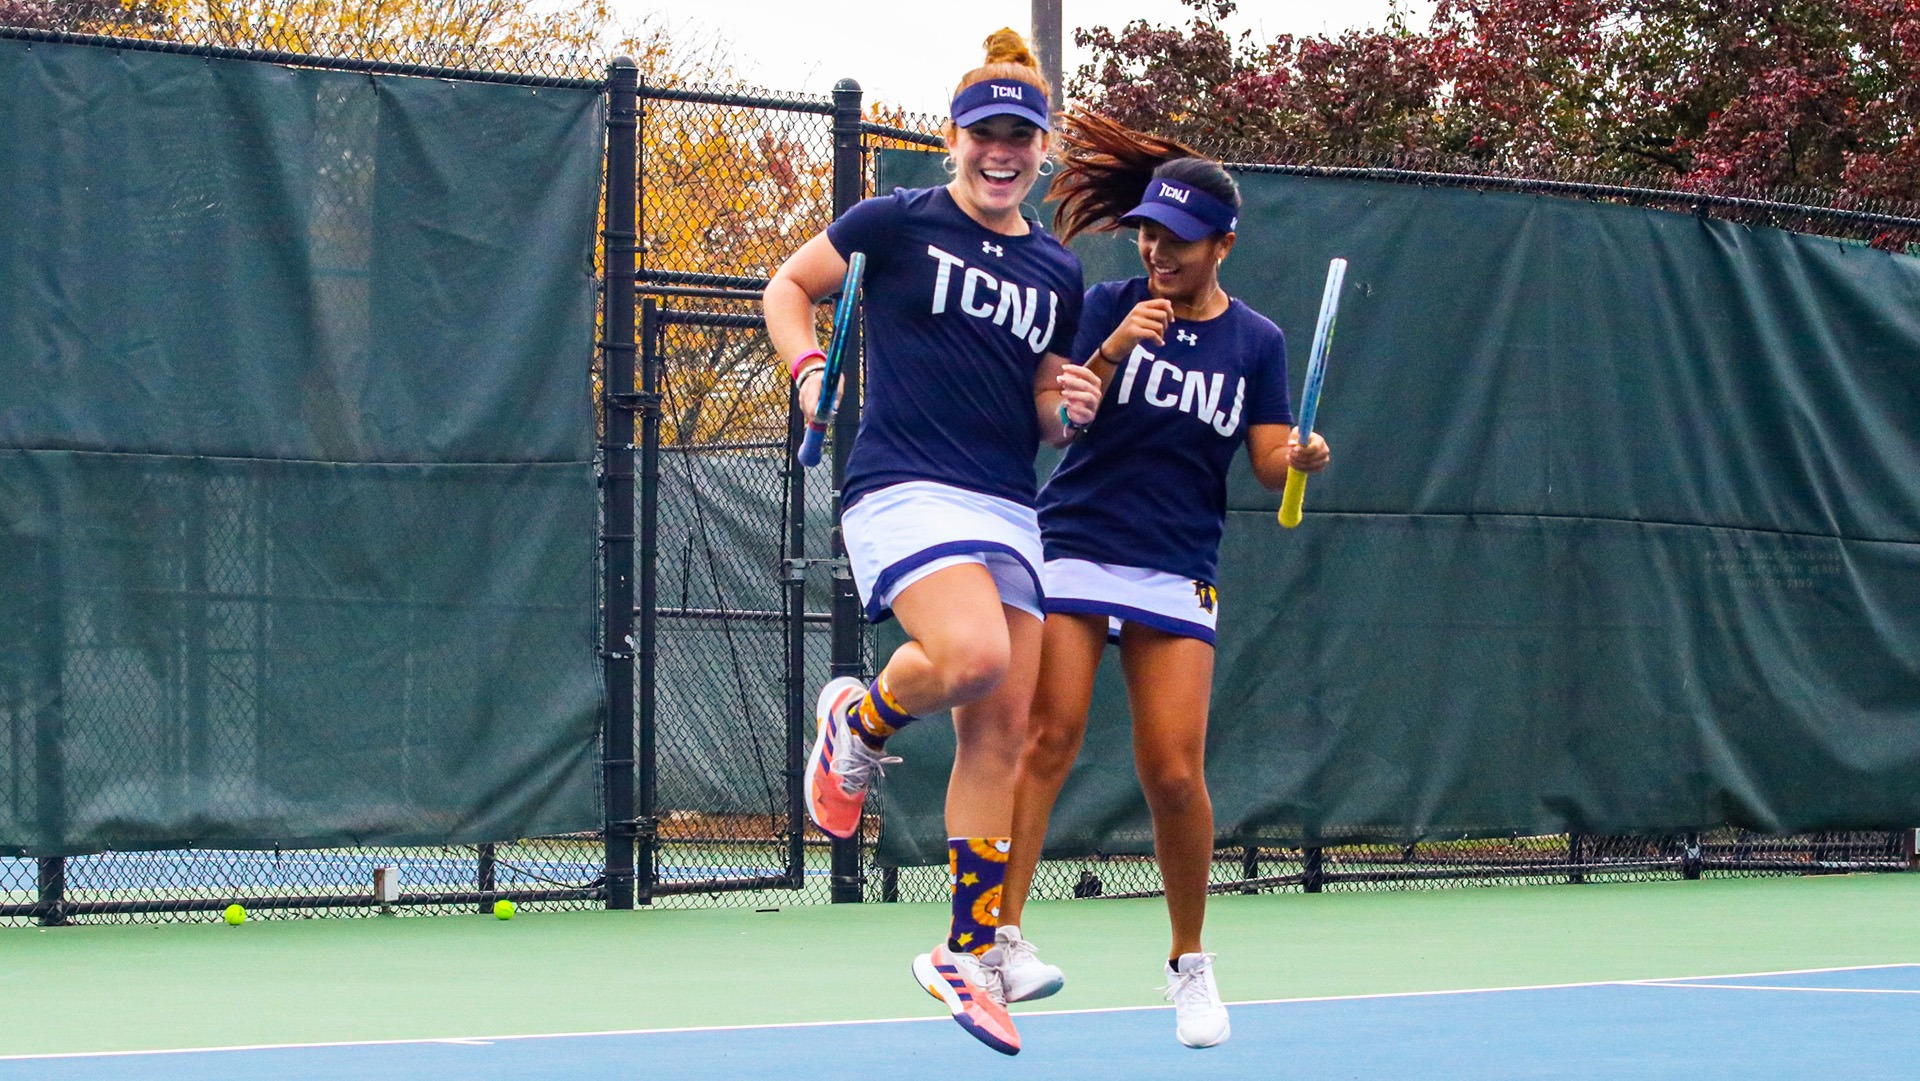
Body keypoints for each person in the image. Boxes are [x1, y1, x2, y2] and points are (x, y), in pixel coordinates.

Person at [761, 28, 1099, 1057]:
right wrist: (810, 370)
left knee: (1001, 729)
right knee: (973, 657)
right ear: (954, 138)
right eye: (986, 134)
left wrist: (1067, 403)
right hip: (904, 485)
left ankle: (968, 948)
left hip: (1006, 502)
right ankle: (860, 718)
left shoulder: (1057, 269)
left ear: (1042, 150)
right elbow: (786, 287)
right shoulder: (894, 223)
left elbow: (1039, 399)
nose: (1003, 152)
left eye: (1022, 138)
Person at [989, 111, 1332, 1049]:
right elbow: (1062, 412)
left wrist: (1303, 454)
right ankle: (998, 939)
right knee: (1047, 733)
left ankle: (1188, 963)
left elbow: (1265, 459)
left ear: (1223, 243)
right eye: (1147, 233)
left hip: (1178, 563)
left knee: (1174, 772)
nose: (1157, 249)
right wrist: (1111, 350)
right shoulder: (1106, 307)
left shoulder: (1255, 342)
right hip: (1075, 542)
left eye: (1176, 239)